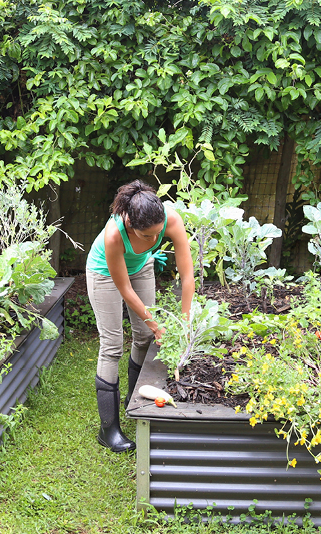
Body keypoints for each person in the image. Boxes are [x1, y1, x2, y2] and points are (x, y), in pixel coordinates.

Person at [85, 180, 194, 452]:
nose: (153, 241)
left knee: (144, 336)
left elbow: (187, 274)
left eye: (158, 235)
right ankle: (108, 430)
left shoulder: (170, 219)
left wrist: (185, 320)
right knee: (112, 345)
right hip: (104, 274)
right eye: (147, 236)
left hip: (141, 267)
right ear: (131, 225)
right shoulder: (114, 233)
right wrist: (157, 324)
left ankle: (133, 400)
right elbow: (124, 289)